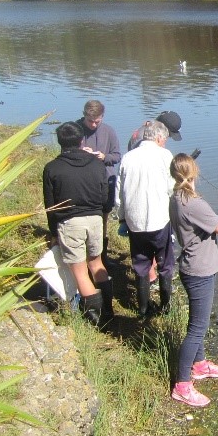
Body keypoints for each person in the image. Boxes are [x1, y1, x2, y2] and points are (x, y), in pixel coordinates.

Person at [169, 153, 218, 407]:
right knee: (197, 328)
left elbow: (213, 225)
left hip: (194, 267)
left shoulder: (177, 197)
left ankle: (200, 365)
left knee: (198, 322)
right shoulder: (193, 203)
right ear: (194, 173)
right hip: (199, 270)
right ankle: (182, 385)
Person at [42, 121, 114, 326]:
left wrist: (53, 233)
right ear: (81, 140)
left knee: (80, 272)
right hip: (95, 220)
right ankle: (109, 312)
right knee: (96, 263)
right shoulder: (96, 164)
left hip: (70, 222)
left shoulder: (52, 168)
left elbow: (51, 206)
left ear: (59, 142)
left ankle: (97, 320)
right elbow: (104, 196)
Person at [116, 120, 175, 318]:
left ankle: (143, 309)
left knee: (141, 263)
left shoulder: (128, 157)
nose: (165, 143)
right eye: (165, 140)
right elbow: (171, 187)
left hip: (135, 221)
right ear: (159, 138)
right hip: (160, 221)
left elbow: (120, 193)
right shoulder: (165, 155)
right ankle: (166, 306)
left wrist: (122, 219)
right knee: (165, 263)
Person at [77, 100, 121, 245]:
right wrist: (80, 153)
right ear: (84, 115)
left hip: (104, 179)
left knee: (103, 215)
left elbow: (117, 156)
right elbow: (65, 151)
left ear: (102, 116)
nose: (94, 125)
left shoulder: (109, 131)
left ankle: (102, 250)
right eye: (90, 121)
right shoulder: (75, 128)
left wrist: (104, 157)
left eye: (97, 121)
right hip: (82, 180)